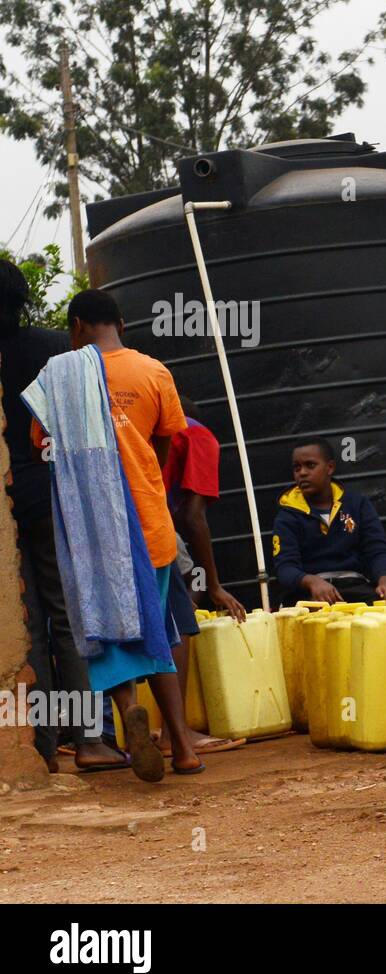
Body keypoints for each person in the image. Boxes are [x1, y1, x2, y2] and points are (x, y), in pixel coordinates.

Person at [24, 288, 203, 780]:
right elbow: (168, 439)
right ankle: (184, 748)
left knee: (105, 633)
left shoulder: (58, 376)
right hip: (149, 521)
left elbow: (40, 442)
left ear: (76, 326)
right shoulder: (153, 371)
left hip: (91, 531)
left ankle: (127, 714)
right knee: (158, 631)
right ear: (121, 323)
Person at [1, 261, 126, 772]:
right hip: (58, 491)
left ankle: (40, 746)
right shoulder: (57, 348)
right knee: (70, 612)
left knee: (23, 623)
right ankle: (93, 739)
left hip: (8, 502)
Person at [161, 395, 245, 756]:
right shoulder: (198, 435)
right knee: (179, 616)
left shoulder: (155, 432)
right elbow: (194, 517)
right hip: (151, 520)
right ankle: (174, 734)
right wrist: (214, 585)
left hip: (121, 520)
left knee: (164, 611)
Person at [271, 438, 386, 606]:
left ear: (329, 467)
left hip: (355, 587)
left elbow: (378, 551)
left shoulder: (357, 504)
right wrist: (311, 582)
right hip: (307, 594)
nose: (302, 473)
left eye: (310, 465)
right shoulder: (287, 515)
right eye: (297, 468)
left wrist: (385, 584)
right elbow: (285, 568)